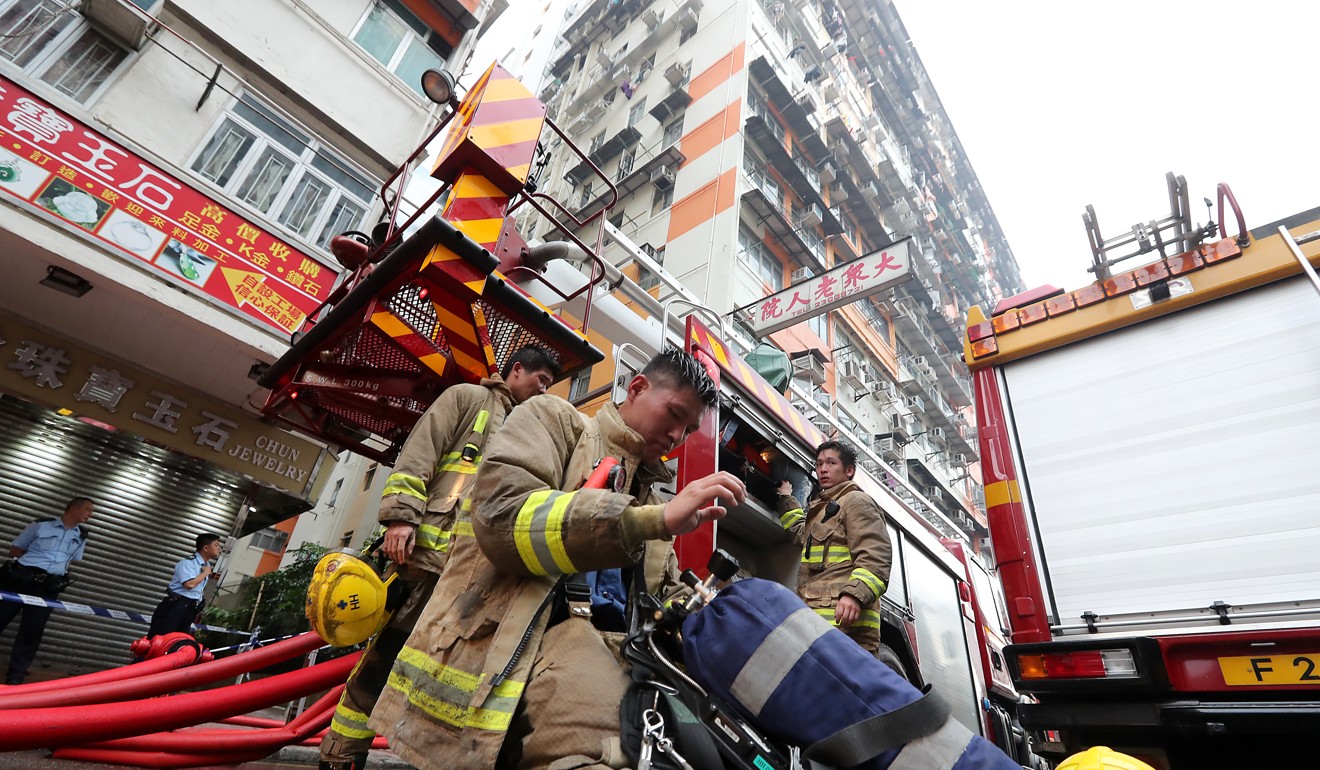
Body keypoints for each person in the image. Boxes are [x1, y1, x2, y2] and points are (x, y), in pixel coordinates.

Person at [369, 347, 747, 770]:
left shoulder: (654, 497)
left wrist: (737, 611)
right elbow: (502, 518)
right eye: (675, 415)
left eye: (690, 429)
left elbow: (664, 595)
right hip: (523, 658)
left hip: (608, 662)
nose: (678, 436)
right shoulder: (555, 422)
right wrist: (645, 521)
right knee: (621, 754)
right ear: (637, 388)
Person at [319, 344, 562, 770]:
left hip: (473, 574)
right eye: (541, 380)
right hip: (427, 559)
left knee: (441, 671)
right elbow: (420, 453)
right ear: (517, 370)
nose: (544, 391)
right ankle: (340, 754)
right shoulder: (468, 399)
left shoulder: (531, 429)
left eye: (550, 386)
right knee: (387, 654)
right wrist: (400, 519)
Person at [777, 440, 892, 654]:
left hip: (847, 631)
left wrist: (854, 595)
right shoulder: (823, 510)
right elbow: (801, 535)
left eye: (831, 463)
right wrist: (786, 498)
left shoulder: (856, 501)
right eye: (819, 464)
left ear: (849, 471)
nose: (822, 469)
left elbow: (875, 555)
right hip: (819, 628)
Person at [0, 497, 93, 685]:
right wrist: (33, 566)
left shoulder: (82, 534)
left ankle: (16, 675)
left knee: (32, 631)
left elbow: (73, 559)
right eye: (87, 509)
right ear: (73, 508)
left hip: (47, 587)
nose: (90, 514)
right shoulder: (41, 525)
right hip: (21, 580)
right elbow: (16, 549)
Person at [146, 533, 223, 638]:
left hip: (190, 609)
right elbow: (189, 584)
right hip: (176, 606)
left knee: (178, 641)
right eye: (216, 545)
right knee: (160, 639)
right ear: (205, 548)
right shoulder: (188, 563)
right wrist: (205, 573)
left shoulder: (206, 565)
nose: (219, 549)